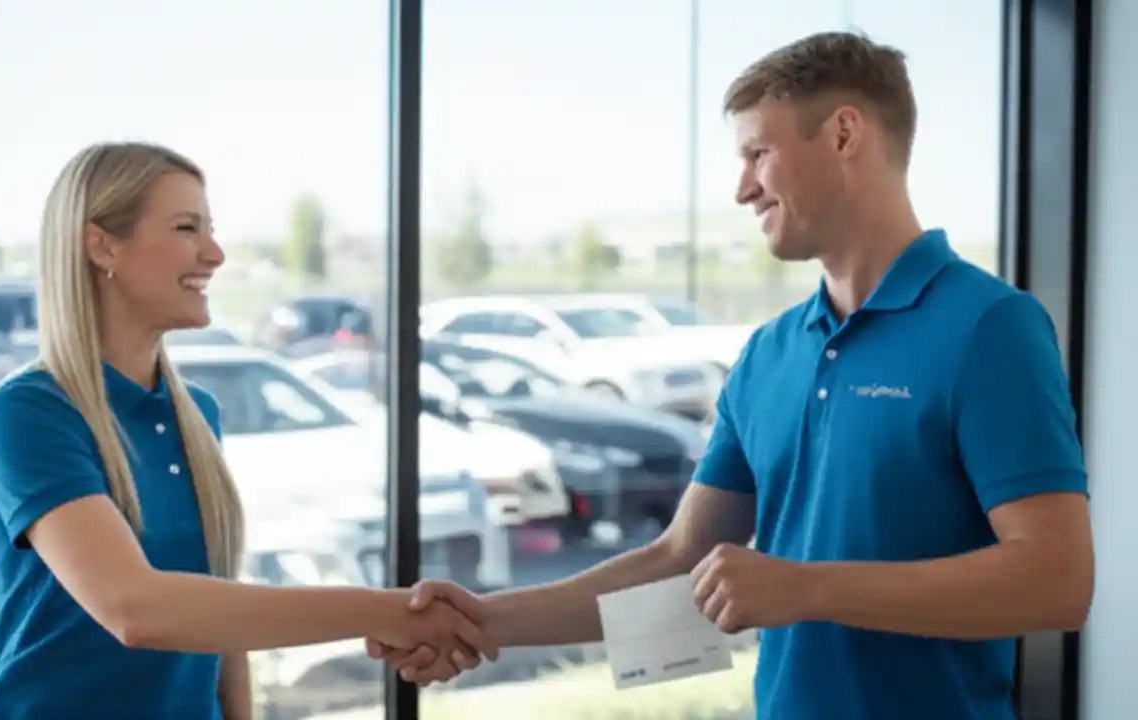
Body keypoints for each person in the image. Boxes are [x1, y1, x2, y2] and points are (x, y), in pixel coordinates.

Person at [367, 30, 1094, 720]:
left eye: (759, 153)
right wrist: (486, 620)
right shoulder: (769, 354)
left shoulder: (989, 327)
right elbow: (681, 561)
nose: (743, 189)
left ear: (844, 134)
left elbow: (1057, 581)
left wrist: (804, 588)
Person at [0, 142, 497, 720]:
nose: (214, 254)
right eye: (186, 227)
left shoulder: (197, 414)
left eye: (210, 229)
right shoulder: (29, 415)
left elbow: (217, 612)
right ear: (101, 245)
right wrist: (386, 612)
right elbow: (135, 609)